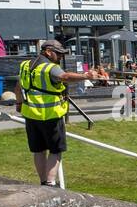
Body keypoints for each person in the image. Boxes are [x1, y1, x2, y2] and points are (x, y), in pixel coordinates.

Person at [16, 40, 90, 188]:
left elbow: (18, 87)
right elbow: (65, 77)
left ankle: (43, 181)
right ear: (49, 52)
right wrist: (86, 76)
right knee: (56, 150)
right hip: (51, 116)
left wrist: (19, 104)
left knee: (38, 150)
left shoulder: (25, 66)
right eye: (59, 54)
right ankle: (50, 183)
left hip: (31, 115)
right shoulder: (50, 68)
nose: (61, 57)